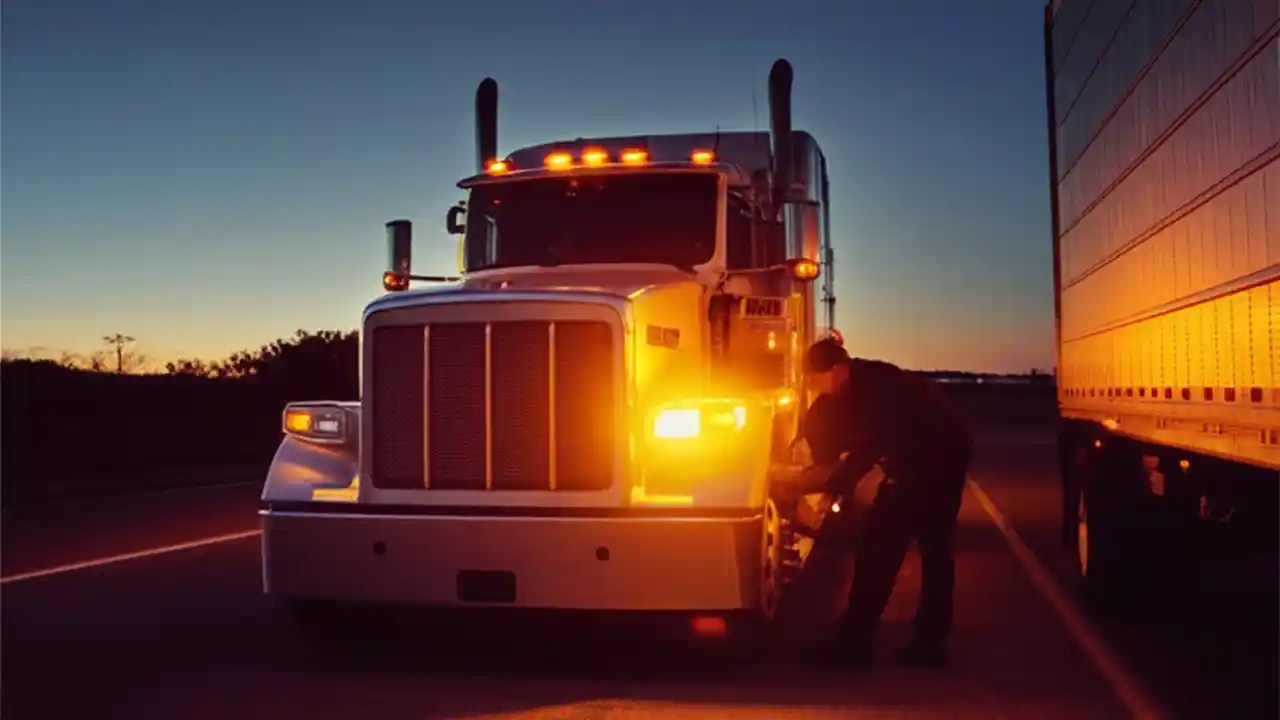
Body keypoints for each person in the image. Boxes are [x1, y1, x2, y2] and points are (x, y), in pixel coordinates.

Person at [795, 337, 973, 670]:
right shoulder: (865, 380)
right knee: (933, 551)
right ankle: (929, 644)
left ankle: (854, 646)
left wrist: (833, 486)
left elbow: (866, 449)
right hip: (936, 454)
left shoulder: (871, 390)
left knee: (882, 549)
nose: (817, 388)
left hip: (935, 459)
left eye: (817, 379)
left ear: (836, 369)